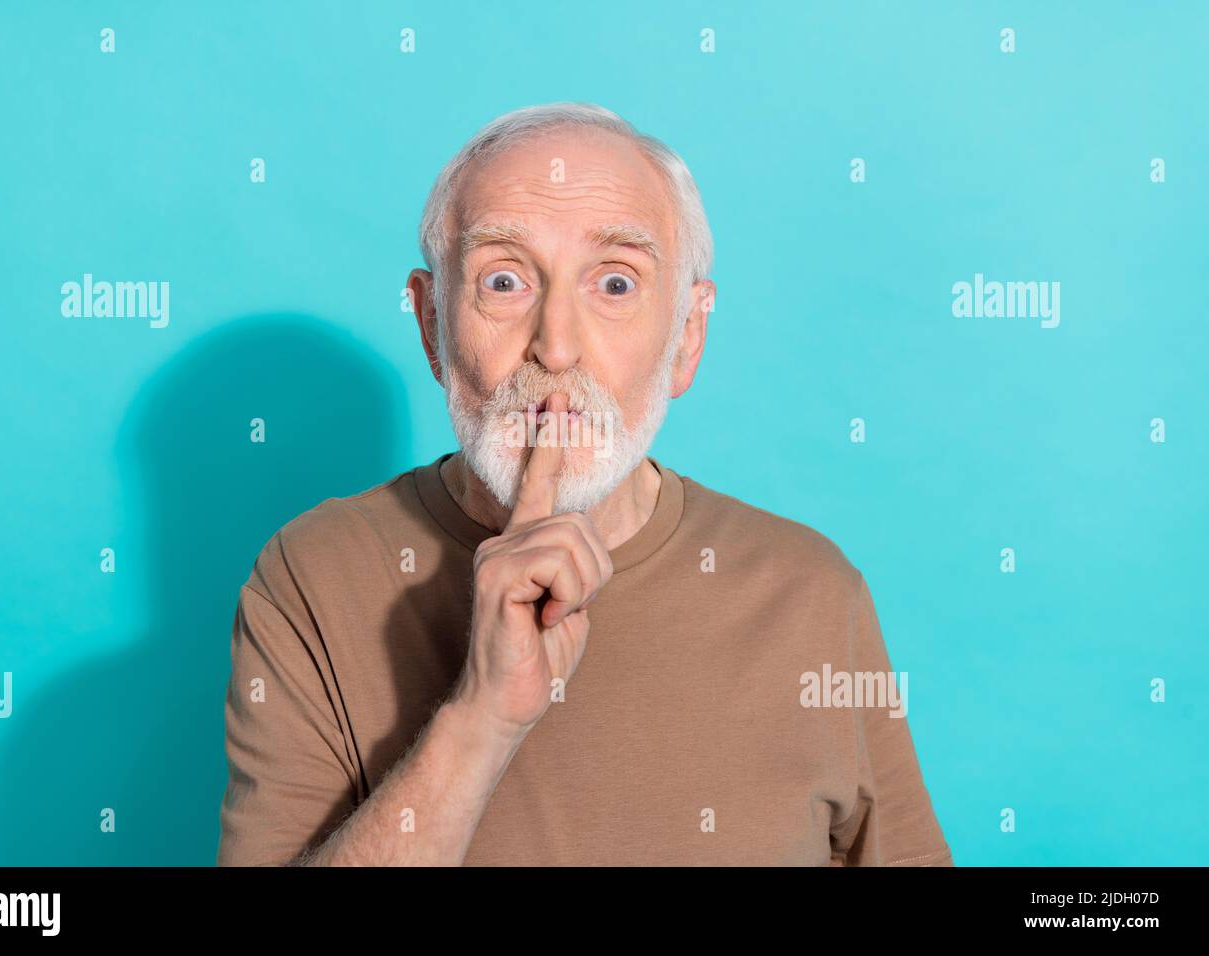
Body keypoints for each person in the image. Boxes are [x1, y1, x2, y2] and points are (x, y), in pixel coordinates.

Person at [215, 102, 953, 866]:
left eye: (615, 284)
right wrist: (481, 719)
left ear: (687, 336)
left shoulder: (810, 590)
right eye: (503, 281)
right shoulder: (311, 575)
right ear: (433, 324)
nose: (556, 348)